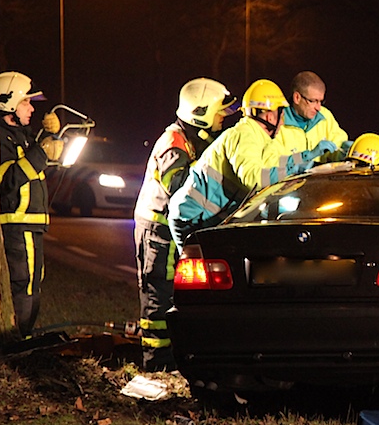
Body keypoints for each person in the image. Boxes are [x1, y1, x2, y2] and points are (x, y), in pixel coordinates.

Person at [133, 78, 238, 371]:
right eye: (220, 112)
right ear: (201, 113)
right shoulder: (173, 143)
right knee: (159, 295)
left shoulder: (194, 139)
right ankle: (156, 364)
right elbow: (178, 187)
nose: (223, 118)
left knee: (177, 295)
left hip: (173, 229)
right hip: (158, 232)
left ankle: (174, 360)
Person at [168, 78, 291, 254]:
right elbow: (254, 179)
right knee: (201, 275)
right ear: (271, 115)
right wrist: (292, 170)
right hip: (192, 220)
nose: (284, 120)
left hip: (206, 218)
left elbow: (272, 170)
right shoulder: (244, 135)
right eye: (282, 112)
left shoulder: (260, 138)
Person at [0, 71, 61, 337]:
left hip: (30, 225)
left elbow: (34, 169)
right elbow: (8, 178)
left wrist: (49, 137)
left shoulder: (21, 135)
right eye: (26, 102)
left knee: (33, 283)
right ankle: (17, 339)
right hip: (16, 226)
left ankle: (23, 337)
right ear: (9, 103)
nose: (32, 108)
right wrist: (41, 151)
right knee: (23, 284)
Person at [276, 71, 349, 176]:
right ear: (297, 97)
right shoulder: (278, 123)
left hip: (321, 186)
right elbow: (276, 162)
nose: (318, 108)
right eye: (313, 101)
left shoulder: (324, 116)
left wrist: (345, 152)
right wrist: (307, 156)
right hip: (289, 189)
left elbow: (338, 143)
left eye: (320, 101)